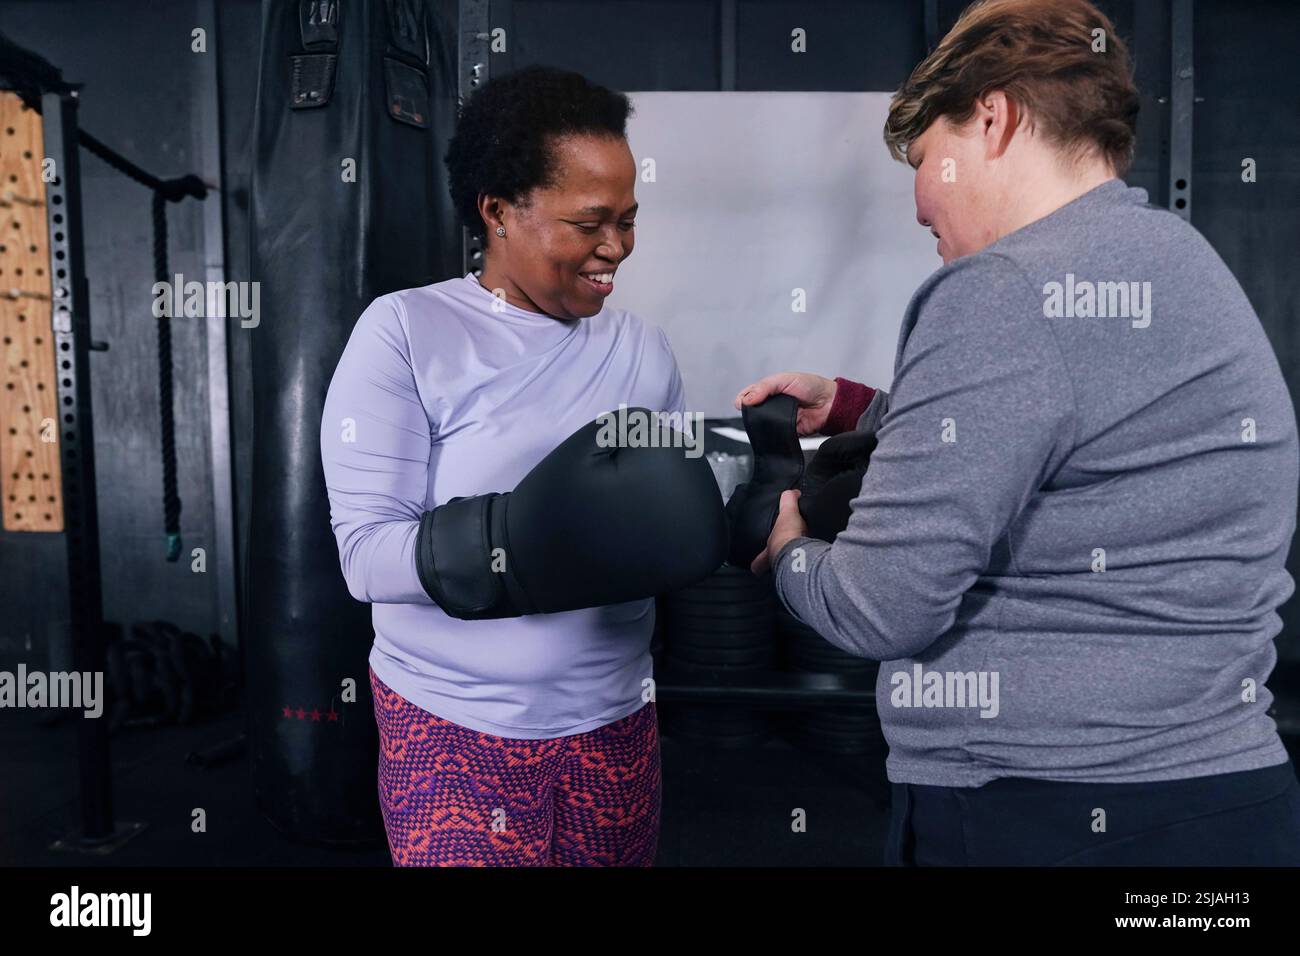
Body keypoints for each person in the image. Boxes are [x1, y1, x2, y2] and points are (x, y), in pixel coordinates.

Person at [738, 0, 1300, 865]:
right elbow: (1079, 438)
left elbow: (881, 608)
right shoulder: (1176, 258)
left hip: (1042, 811)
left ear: (993, 119)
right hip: (1222, 807)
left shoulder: (1004, 287)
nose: (922, 208)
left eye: (927, 161)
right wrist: (857, 407)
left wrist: (787, 555)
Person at [320, 66, 680, 866]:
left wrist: (754, 493)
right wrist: (529, 536)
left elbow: (675, 520)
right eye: (589, 222)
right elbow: (366, 556)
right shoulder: (407, 332)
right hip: (452, 725)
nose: (615, 248)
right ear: (498, 210)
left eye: (627, 219)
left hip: (615, 722)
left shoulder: (645, 352)